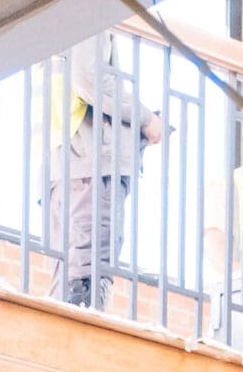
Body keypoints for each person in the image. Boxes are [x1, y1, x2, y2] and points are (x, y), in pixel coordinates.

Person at [48, 35, 162, 313]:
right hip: (91, 161)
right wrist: (145, 118)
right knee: (87, 272)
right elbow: (88, 79)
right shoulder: (91, 5)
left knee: (71, 269)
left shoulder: (56, 19)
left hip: (69, 162)